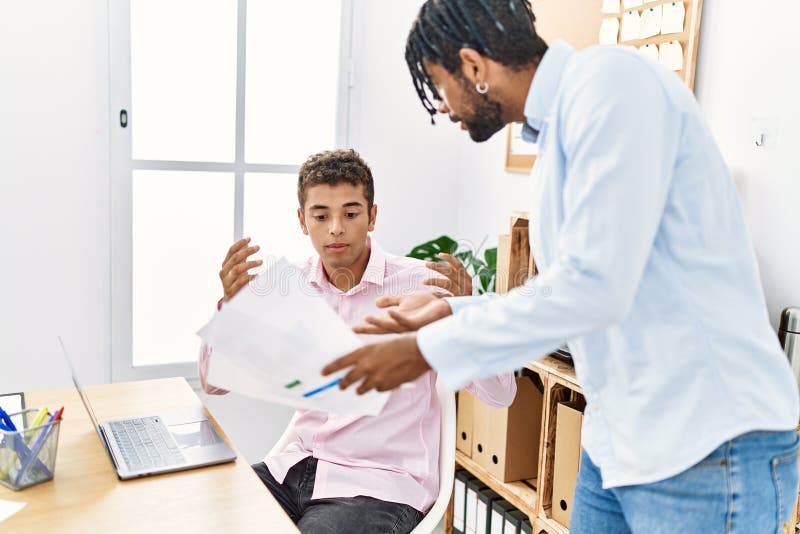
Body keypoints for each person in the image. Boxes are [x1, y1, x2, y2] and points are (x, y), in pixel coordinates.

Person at [321, 2, 800, 532]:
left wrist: (424, 351)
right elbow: (562, 290)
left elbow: (595, 287)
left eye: (440, 88)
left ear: (473, 67)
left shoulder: (612, 86)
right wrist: (448, 311)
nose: (445, 110)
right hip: (620, 438)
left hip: (707, 443)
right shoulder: (557, 132)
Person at [199, 148, 516, 533]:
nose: (336, 227)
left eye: (350, 214)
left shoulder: (423, 285)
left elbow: (502, 395)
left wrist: (464, 315)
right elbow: (213, 384)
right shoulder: (288, 286)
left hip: (379, 485)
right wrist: (231, 309)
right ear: (302, 221)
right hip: (295, 468)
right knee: (204, 518)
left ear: (372, 216)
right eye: (321, 215)